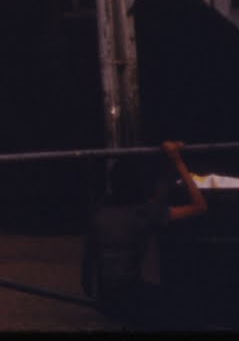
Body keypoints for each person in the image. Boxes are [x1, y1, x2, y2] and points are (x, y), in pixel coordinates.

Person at [82, 140, 207, 328]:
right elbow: (200, 206)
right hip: (124, 297)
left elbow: (87, 271)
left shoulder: (100, 212)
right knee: (185, 309)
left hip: (102, 296)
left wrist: (170, 161)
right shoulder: (142, 213)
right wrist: (177, 161)